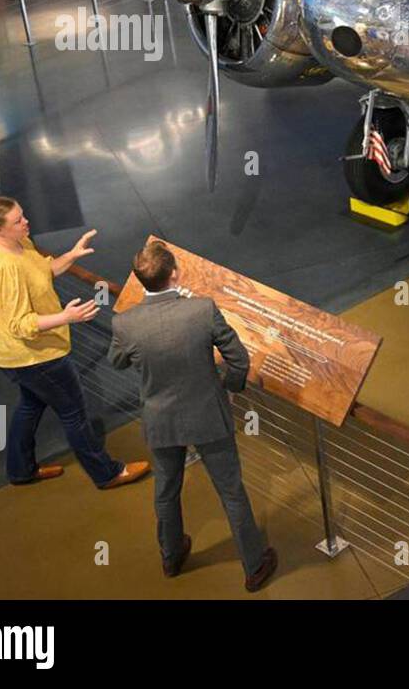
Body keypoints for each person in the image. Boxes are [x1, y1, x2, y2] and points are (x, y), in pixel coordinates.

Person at [107, 241, 277, 592]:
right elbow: (239, 360)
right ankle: (254, 565)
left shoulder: (125, 324)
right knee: (231, 491)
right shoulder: (202, 311)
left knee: (166, 491)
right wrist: (228, 387)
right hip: (207, 414)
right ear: (175, 274)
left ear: (141, 281)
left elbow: (118, 361)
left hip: (160, 420)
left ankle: (171, 557)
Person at [0, 196, 149, 490]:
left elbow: (42, 271)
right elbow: (20, 325)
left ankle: (20, 470)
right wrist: (66, 317)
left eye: (23, 215)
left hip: (16, 354)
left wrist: (71, 255)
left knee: (30, 405)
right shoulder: (4, 267)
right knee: (74, 413)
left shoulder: (17, 242)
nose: (26, 222)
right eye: (17, 221)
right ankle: (106, 473)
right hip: (34, 356)